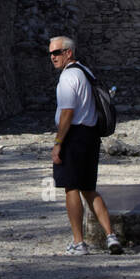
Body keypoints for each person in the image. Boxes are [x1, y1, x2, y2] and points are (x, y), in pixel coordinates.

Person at [49, 36, 123, 255]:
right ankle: (111, 236)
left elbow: (67, 112)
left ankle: (79, 242)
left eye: (56, 53)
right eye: (50, 53)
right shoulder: (85, 72)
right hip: (91, 136)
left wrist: (58, 143)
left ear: (68, 53)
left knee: (71, 188)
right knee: (89, 189)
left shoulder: (68, 77)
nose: (52, 57)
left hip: (74, 136)